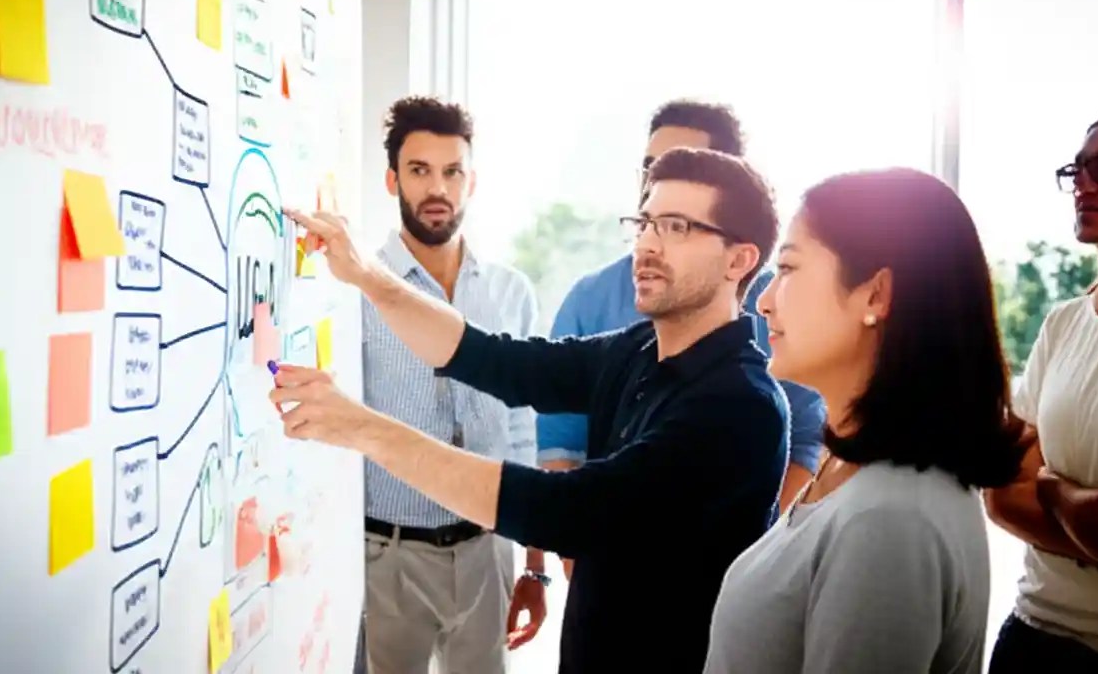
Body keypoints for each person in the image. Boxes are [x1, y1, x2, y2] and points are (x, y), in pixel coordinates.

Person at [273, 146, 790, 673]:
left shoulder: (740, 406)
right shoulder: (639, 349)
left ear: (739, 260)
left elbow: (564, 511)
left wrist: (363, 428)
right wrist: (366, 274)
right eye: (646, 222)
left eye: (677, 227)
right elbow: (493, 358)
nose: (647, 245)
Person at [704, 168, 1026, 673]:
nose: (763, 302)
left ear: (875, 295)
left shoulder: (890, 518)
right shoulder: (852, 470)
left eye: (787, 269)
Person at [538, 100, 825, 538]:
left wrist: (756, 551)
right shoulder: (591, 298)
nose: (660, 181)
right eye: (651, 167)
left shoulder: (776, 304)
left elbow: (806, 439)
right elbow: (562, 442)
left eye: (684, 169)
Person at [354, 95, 544, 674]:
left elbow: (522, 430)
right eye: (419, 171)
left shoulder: (511, 292)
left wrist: (533, 564)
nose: (437, 188)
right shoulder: (357, 291)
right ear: (392, 180)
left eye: (451, 172)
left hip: (488, 550)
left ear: (471, 181)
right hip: (385, 556)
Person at [985, 103, 1098, 672]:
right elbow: (1002, 494)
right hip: (1030, 633)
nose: (1087, 185)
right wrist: (1097, 531)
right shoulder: (1063, 323)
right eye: (1078, 171)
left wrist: (1049, 486)